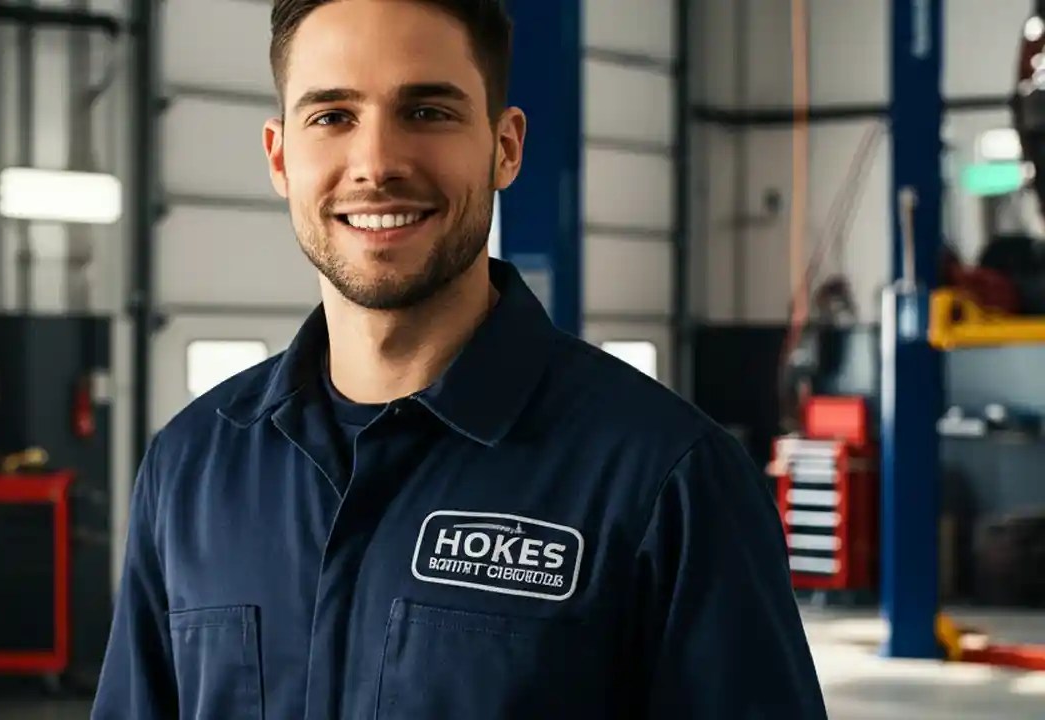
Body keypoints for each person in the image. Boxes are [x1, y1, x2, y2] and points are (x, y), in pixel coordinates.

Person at [92, 0, 829, 717]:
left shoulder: (667, 483)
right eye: (332, 116)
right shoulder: (192, 467)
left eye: (427, 112)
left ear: (505, 147)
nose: (376, 163)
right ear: (281, 157)